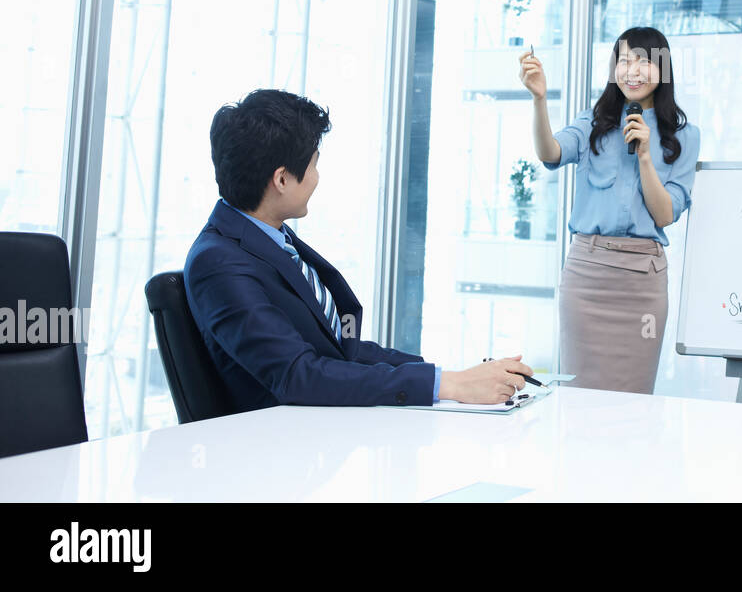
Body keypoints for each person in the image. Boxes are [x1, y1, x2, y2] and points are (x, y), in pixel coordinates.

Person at [184, 89, 533, 411]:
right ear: (281, 179)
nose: (317, 177)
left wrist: (450, 377)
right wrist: (450, 385)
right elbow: (299, 376)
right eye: (314, 164)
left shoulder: (273, 238)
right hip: (282, 448)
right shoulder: (219, 262)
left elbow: (340, 350)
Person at [520, 27, 701, 394]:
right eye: (624, 61)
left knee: (633, 403)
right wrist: (539, 100)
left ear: (662, 70)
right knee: (579, 397)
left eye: (643, 61)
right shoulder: (592, 123)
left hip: (642, 284)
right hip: (586, 278)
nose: (632, 70)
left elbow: (665, 214)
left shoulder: (684, 136)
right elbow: (550, 153)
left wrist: (646, 155)